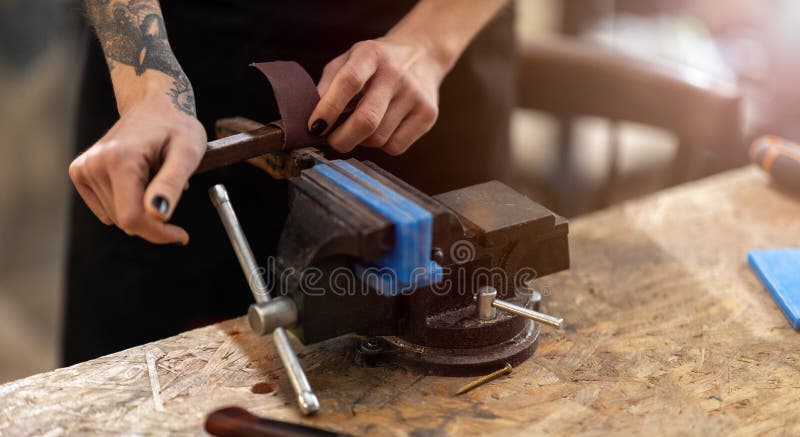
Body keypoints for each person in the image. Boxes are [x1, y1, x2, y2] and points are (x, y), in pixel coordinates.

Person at [64, 0, 515, 364]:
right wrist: (146, 87)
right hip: (176, 59)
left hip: (416, 68)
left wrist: (430, 43)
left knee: (447, 316)